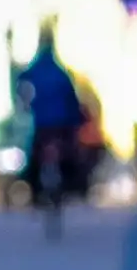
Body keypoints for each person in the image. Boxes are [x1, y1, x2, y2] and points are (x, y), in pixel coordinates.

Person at [18, 28, 91, 231]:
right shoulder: (60, 72)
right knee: (70, 155)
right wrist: (76, 120)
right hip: (62, 124)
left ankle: (34, 194)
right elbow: (73, 99)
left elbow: (21, 80)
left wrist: (25, 103)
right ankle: (74, 187)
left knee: (34, 157)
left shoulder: (36, 68)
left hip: (43, 124)